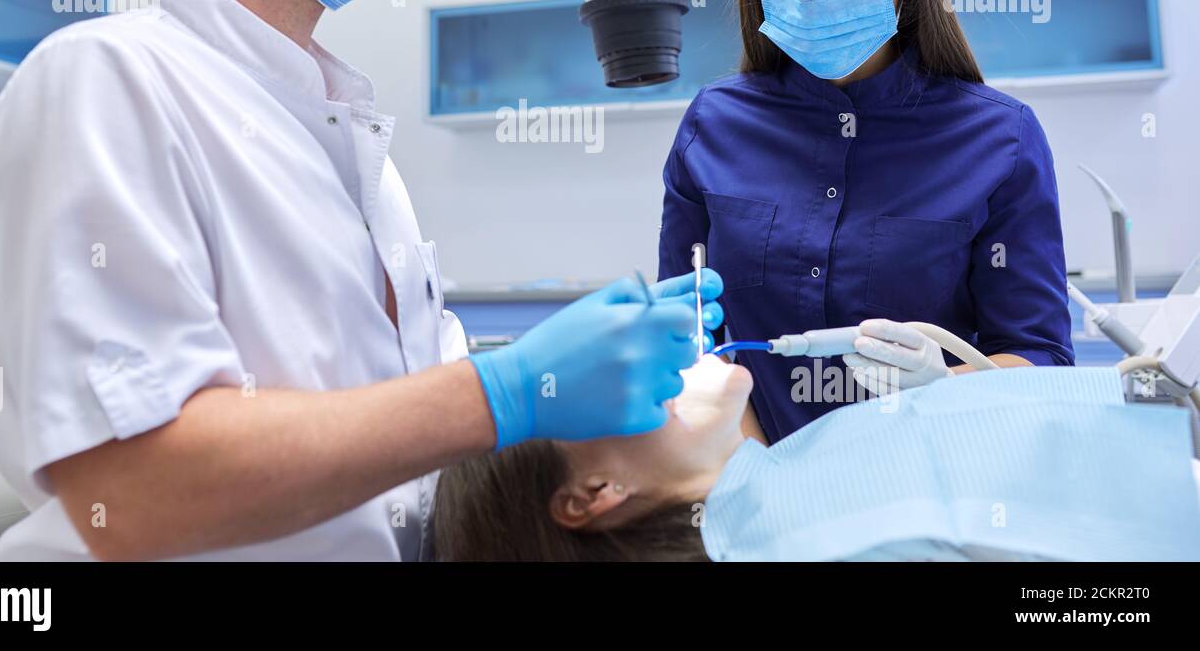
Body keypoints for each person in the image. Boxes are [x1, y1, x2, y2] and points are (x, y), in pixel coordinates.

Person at [0, 0, 718, 561]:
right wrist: (502, 393)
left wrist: (574, 363)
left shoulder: (339, 127)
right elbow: (133, 492)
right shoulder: (107, 80)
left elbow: (396, 415)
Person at [658, 0, 1073, 444]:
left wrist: (947, 389)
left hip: (932, 501)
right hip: (752, 499)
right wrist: (756, 474)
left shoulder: (998, 139)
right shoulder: (714, 125)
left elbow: (1040, 360)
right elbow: (686, 341)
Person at [432, 357, 1200, 561]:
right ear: (595, 491)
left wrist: (966, 393)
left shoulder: (778, 484)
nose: (639, 357)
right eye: (597, 376)